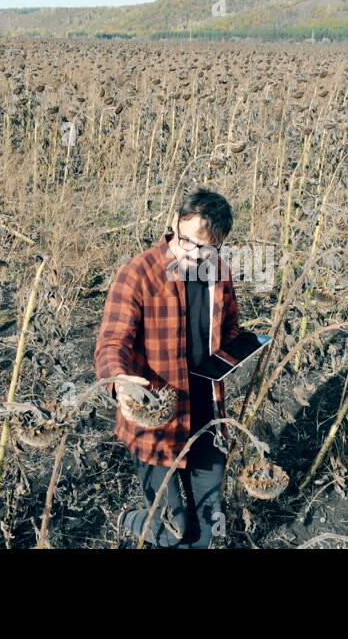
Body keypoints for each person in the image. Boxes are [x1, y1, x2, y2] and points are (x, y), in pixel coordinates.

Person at [95, 187, 241, 548]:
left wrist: (236, 351)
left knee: (207, 524)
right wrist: (119, 379)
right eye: (185, 242)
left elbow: (231, 325)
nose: (192, 255)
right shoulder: (138, 273)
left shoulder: (218, 272)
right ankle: (135, 520)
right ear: (174, 224)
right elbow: (112, 341)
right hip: (158, 419)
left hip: (207, 414)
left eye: (205, 248)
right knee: (172, 529)